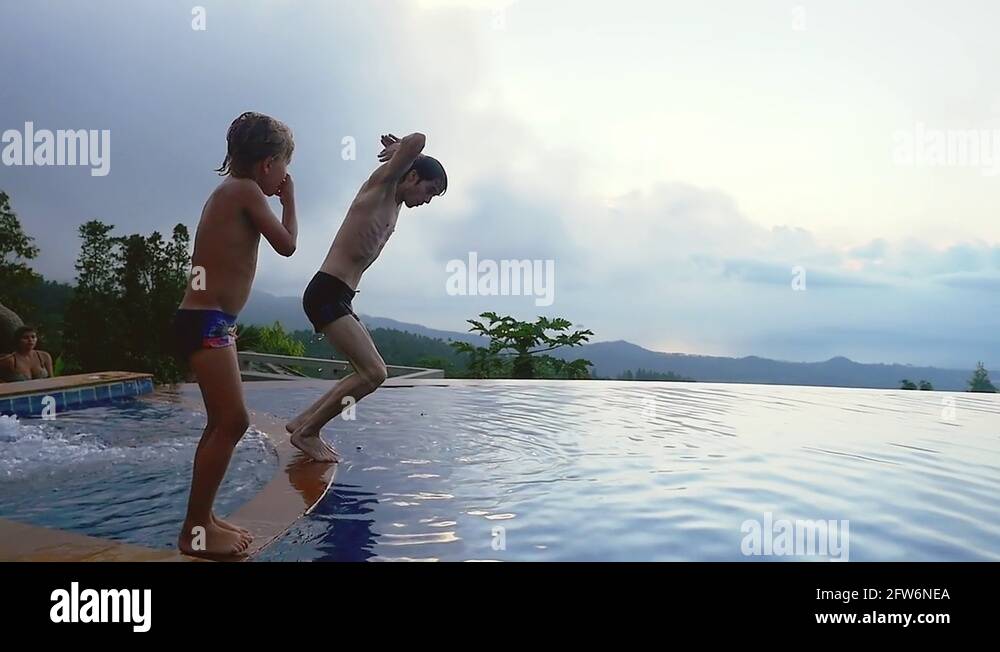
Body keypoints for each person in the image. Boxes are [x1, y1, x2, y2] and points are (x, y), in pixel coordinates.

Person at [173, 111, 298, 558]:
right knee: (233, 422)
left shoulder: (228, 191)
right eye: (285, 165)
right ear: (267, 165)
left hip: (209, 321)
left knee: (220, 423)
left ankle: (203, 519)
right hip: (206, 322)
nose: (286, 175)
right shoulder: (245, 191)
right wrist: (290, 199)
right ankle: (193, 530)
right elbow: (287, 244)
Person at [285, 132, 446, 461]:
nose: (428, 200)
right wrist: (401, 152)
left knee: (365, 369)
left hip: (340, 295)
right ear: (412, 176)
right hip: (326, 291)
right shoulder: (383, 185)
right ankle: (308, 432)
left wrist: (404, 155)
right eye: (429, 191)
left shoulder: (395, 206)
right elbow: (418, 139)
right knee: (374, 373)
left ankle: (302, 421)